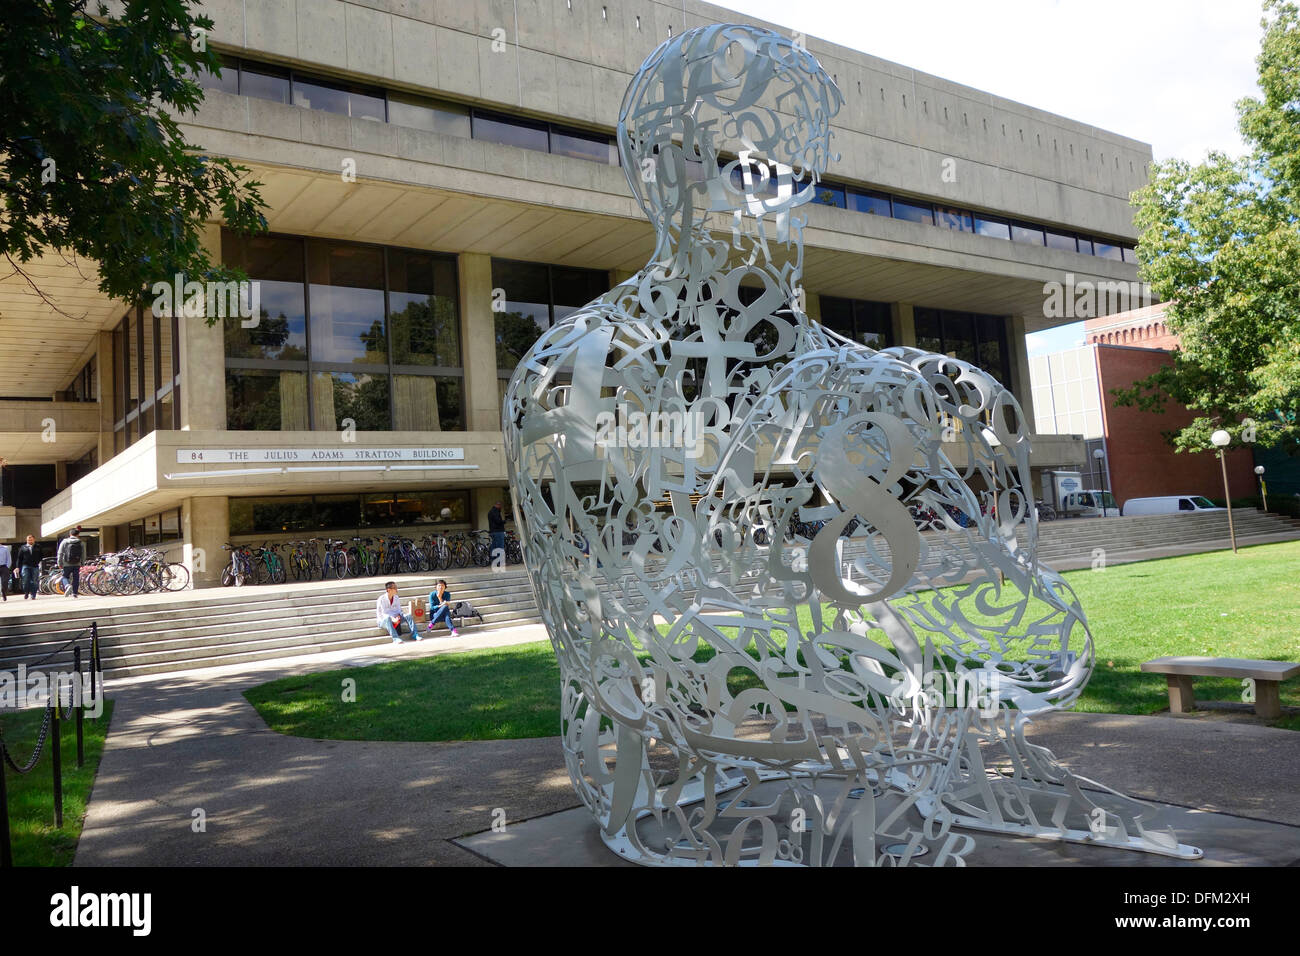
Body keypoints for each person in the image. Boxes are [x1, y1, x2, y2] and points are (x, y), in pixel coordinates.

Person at [56, 527, 85, 599]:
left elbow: (60, 553)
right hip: (77, 563)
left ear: (70, 534)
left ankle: (67, 586)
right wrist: (82, 563)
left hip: (66, 563)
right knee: (76, 578)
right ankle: (75, 593)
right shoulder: (81, 542)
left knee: (64, 576)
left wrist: (59, 563)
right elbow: (83, 554)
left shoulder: (64, 542)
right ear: (78, 535)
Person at [15, 535, 40, 600]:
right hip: (25, 566)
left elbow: (41, 555)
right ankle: (26, 592)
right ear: (27, 540)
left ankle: (33, 594)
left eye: (31, 540)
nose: (30, 541)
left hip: (35, 566)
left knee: (34, 581)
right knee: (25, 580)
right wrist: (17, 567)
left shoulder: (38, 547)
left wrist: (39, 562)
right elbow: (19, 558)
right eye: (28, 540)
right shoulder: (23, 547)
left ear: (34, 540)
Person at [488, 500, 506, 567]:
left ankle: (494, 561)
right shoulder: (495, 512)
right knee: (500, 547)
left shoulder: (490, 512)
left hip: (493, 531)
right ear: (497, 505)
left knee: (494, 546)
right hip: (498, 531)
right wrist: (503, 521)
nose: (501, 507)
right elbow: (498, 521)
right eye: (500, 506)